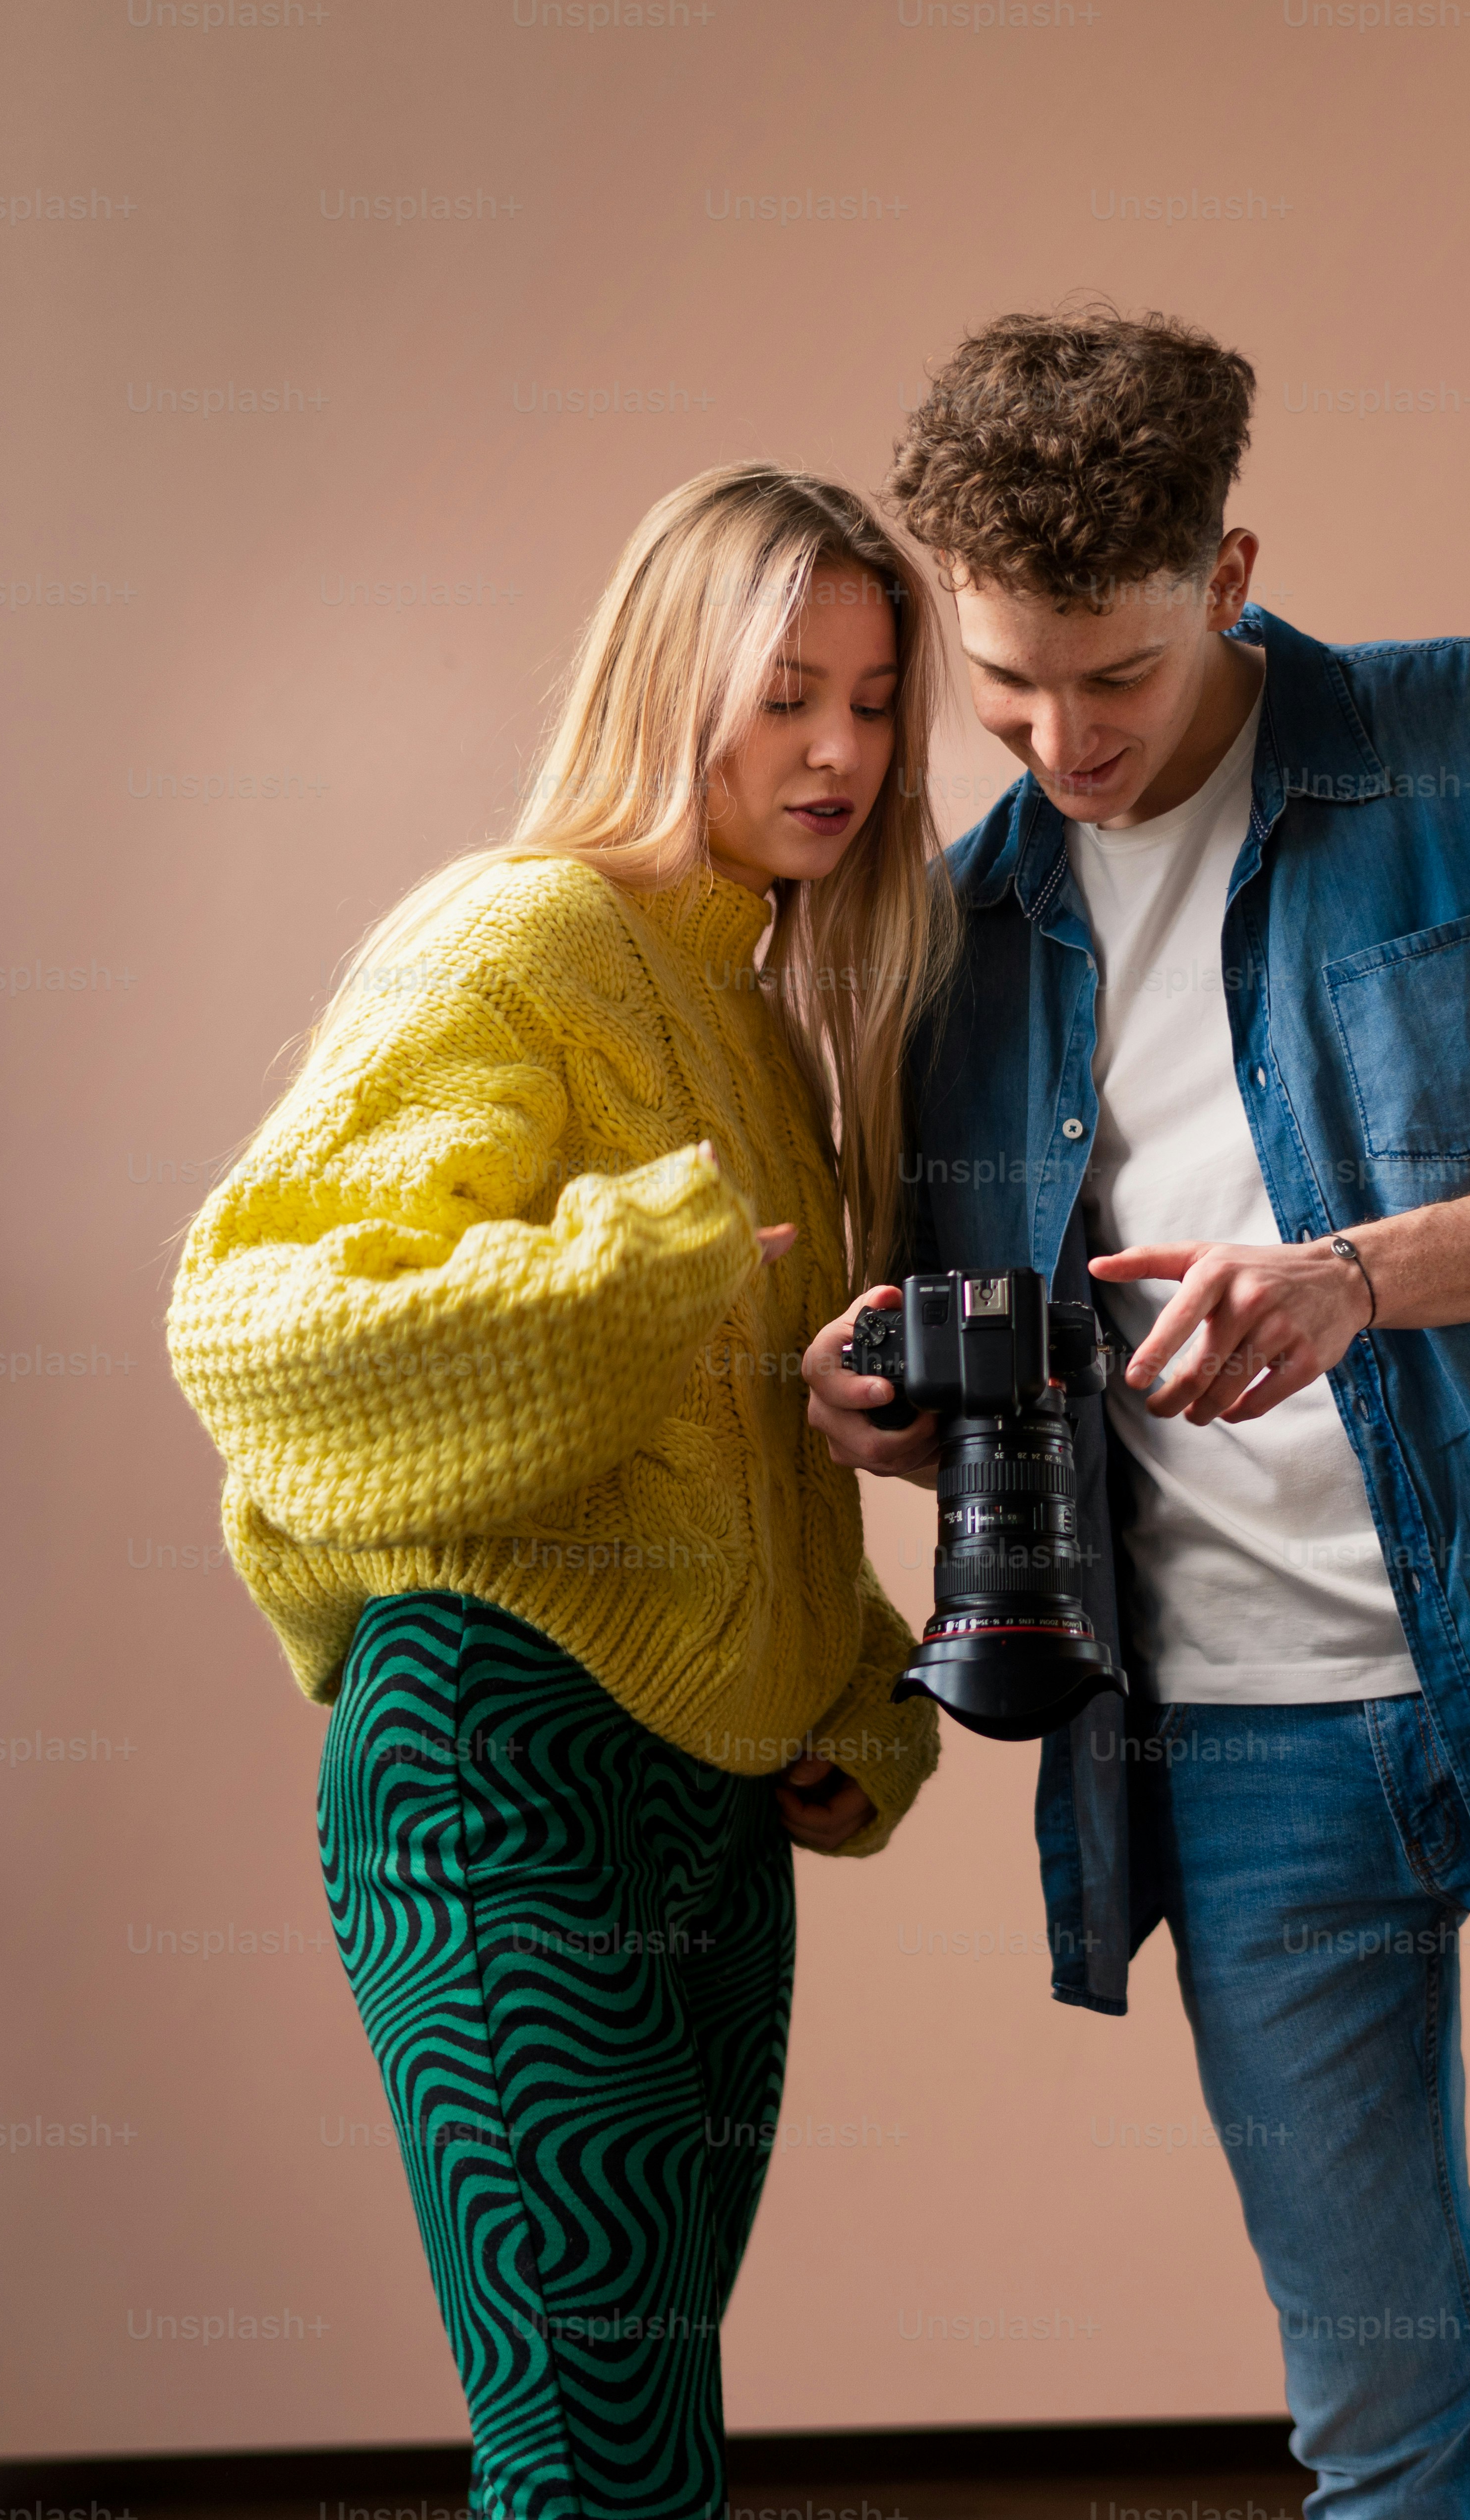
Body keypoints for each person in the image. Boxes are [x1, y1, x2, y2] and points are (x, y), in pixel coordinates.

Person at [805, 311, 1470, 2520]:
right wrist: (896, 1420)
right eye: (1002, 682)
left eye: (1107, 678)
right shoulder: (962, 929)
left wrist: (1350, 1278)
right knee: (1381, 2447)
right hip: (1234, 1761)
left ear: (1226, 575)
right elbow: (1017, 1369)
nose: (1055, 737)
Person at [168, 464, 953, 2520]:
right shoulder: (519, 931)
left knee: (642, 2468)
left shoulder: (770, 1038)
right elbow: (256, 1327)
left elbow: (735, 1463)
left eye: (875, 702)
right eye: (789, 692)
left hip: (706, 1822)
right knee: (597, 2471)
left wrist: (861, 1697)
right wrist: (650, 1267)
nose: (842, 753)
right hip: (496, 1763)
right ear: (669, 676)